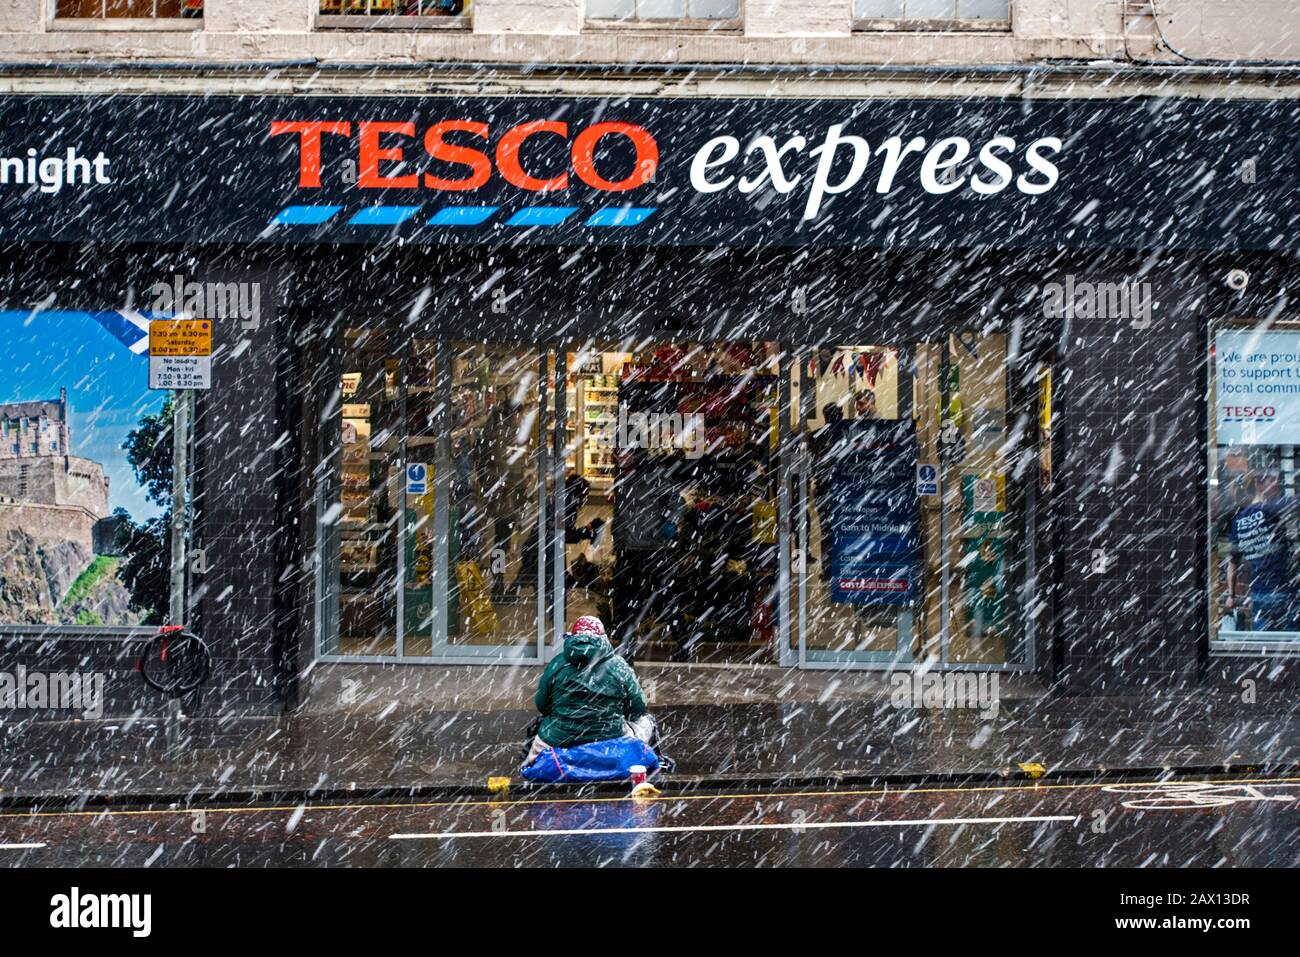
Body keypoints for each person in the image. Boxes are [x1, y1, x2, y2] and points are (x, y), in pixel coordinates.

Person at [524, 615, 654, 766]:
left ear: (572, 638)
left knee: (537, 728)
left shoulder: (557, 664)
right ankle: (649, 765)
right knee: (647, 721)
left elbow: (542, 705)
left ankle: (535, 766)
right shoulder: (619, 666)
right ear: (603, 639)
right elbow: (637, 708)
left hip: (559, 738)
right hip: (611, 738)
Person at [1226, 466, 1300, 632]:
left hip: (1259, 595)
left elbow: (1232, 564)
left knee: (1264, 647)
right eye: (1271, 480)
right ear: (1259, 485)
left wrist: (1231, 596)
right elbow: (1297, 502)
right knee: (1292, 646)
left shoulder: (1237, 521)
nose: (1276, 484)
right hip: (1283, 591)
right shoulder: (1268, 508)